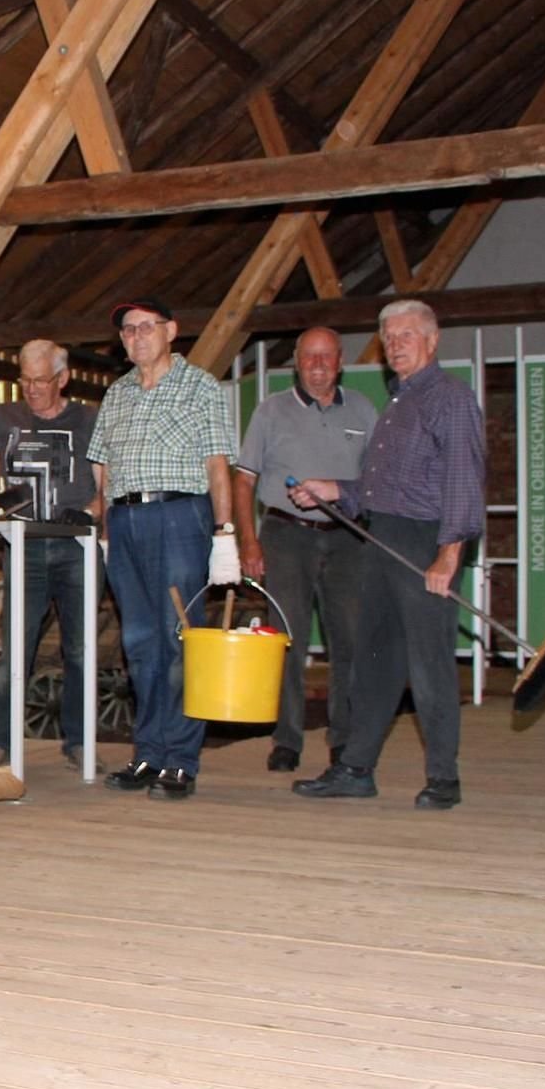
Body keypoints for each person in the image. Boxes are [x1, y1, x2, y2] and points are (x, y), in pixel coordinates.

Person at [290, 299, 485, 810]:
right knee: (373, 663)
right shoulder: (398, 403)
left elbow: (463, 483)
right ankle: (356, 768)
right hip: (381, 540)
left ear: (433, 339)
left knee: (430, 665)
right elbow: (385, 488)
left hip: (425, 541)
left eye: (406, 335)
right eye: (388, 337)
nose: (395, 345)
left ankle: (444, 777)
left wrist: (449, 555)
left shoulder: (451, 398)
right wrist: (335, 490)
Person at [88, 298, 239, 802]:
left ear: (171, 330)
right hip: (126, 519)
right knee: (139, 642)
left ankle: (180, 759)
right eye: (128, 331)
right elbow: (101, 463)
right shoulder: (117, 393)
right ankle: (148, 751)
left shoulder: (200, 386)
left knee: (178, 642)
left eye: (146, 328)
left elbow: (218, 465)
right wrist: (107, 528)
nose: (136, 337)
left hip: (180, 515)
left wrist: (224, 534)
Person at [232, 326, 377, 774]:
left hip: (348, 538)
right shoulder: (271, 411)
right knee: (286, 642)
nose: (317, 365)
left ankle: (345, 740)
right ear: (296, 362)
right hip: (286, 536)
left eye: (326, 357)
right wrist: (249, 541)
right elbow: (244, 480)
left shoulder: (365, 410)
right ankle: (287, 739)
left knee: (349, 641)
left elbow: (378, 482)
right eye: (309, 357)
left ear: (340, 361)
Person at [0, 339, 104, 767]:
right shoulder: (1, 419)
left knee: (81, 648)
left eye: (41, 381)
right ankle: (1, 740)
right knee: (16, 646)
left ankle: (80, 741)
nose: (31, 390)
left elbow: (108, 488)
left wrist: (86, 515)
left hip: (77, 549)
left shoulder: (90, 419)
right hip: (24, 547)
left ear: (63, 378)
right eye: (25, 380)